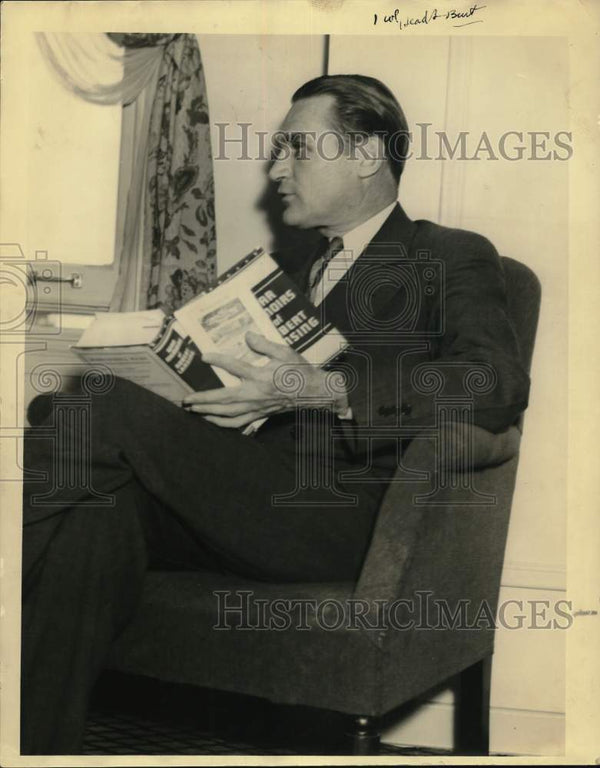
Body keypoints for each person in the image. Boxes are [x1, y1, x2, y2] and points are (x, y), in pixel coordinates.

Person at [20, 74, 530, 754]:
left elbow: (494, 379)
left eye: (296, 148)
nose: (275, 168)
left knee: (97, 408)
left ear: (366, 155)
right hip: (243, 497)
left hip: (347, 517)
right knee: (92, 512)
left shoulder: (449, 255)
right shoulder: (278, 275)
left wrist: (322, 390)